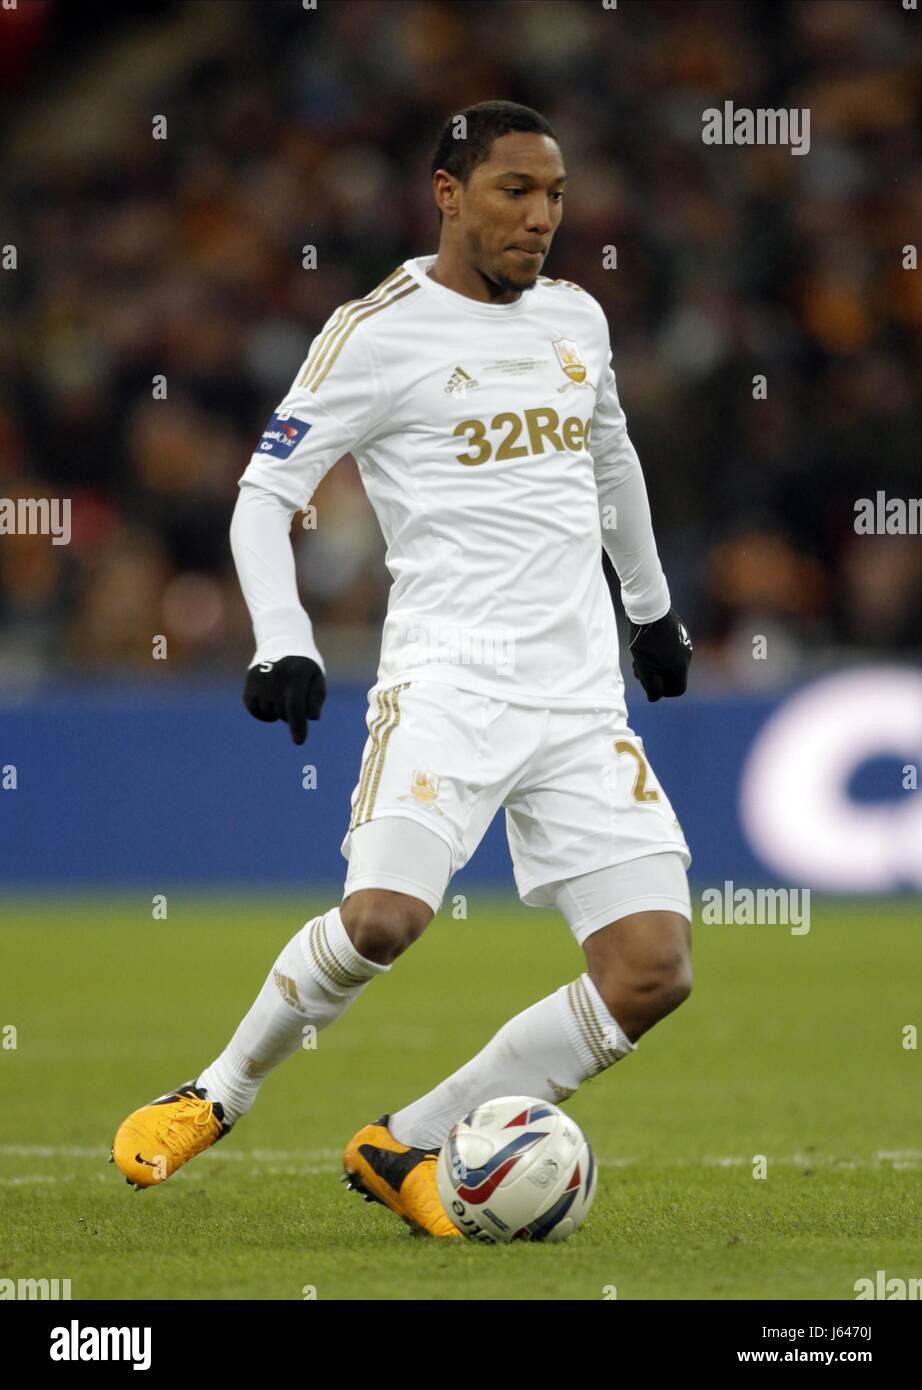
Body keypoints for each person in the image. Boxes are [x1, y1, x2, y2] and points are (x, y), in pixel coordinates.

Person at [112, 100, 693, 1239]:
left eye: (555, 196)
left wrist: (653, 610)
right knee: (381, 920)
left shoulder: (577, 318)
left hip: (578, 700)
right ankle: (214, 1092)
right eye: (513, 192)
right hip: (448, 684)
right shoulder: (376, 331)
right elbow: (264, 493)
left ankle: (407, 1140)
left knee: (652, 969)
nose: (540, 218)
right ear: (447, 193)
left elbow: (610, 456)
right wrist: (283, 636)